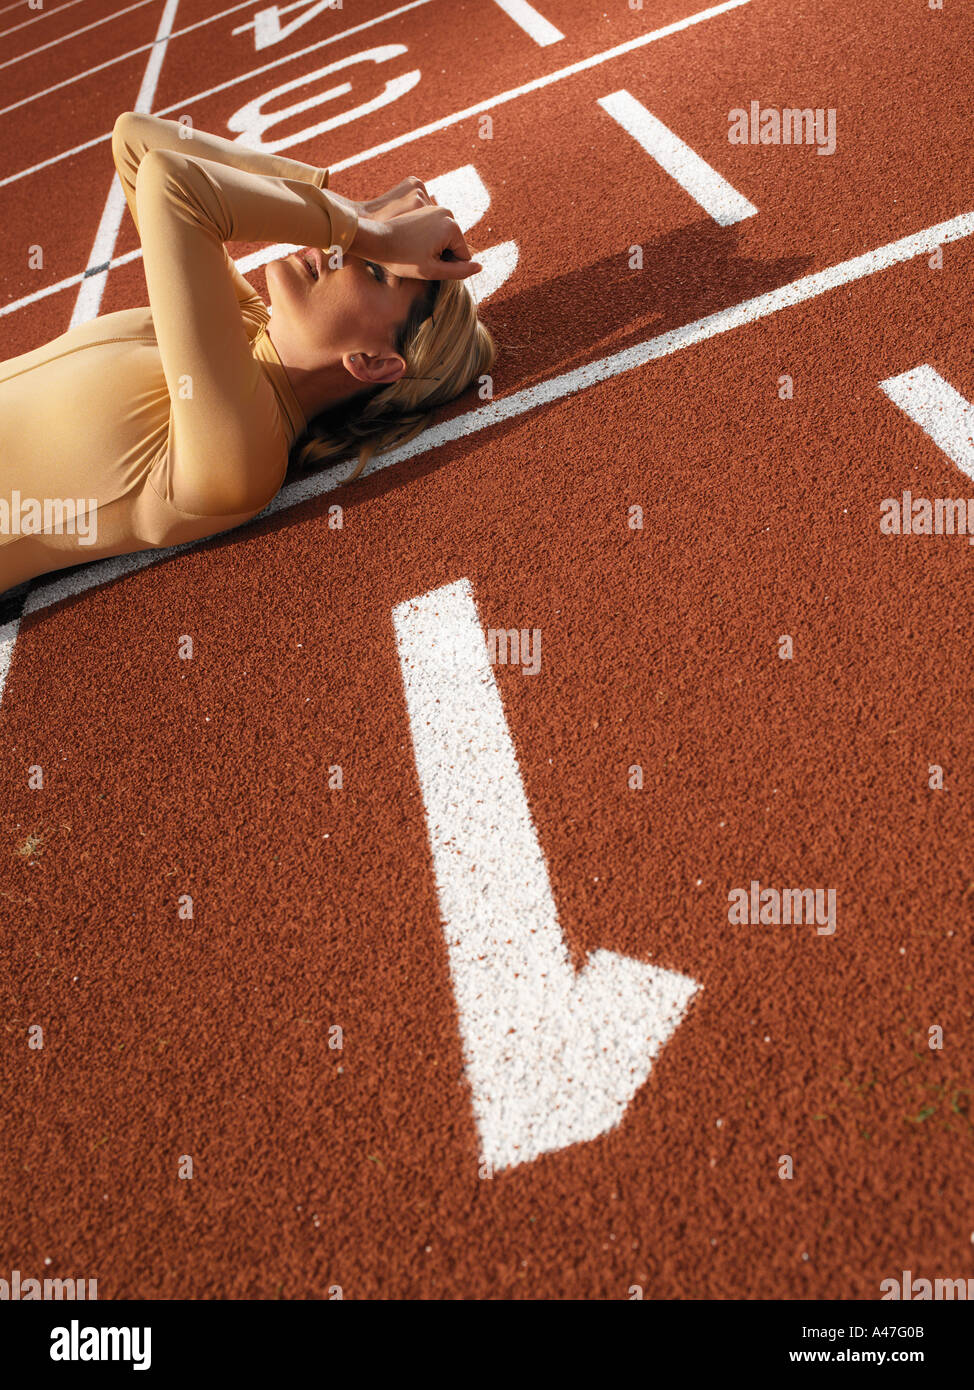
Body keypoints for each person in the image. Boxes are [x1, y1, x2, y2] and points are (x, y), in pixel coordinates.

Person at [0, 111, 496, 596]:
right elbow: (137, 140)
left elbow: (172, 183)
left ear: (373, 362)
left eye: (374, 271)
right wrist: (349, 207)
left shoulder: (245, 453)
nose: (335, 249)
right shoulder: (242, 324)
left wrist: (370, 230)